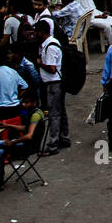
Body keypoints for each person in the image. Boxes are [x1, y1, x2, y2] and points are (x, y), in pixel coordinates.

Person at [0, 89, 44, 193]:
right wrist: (8, 125)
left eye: (26, 102)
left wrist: (12, 142)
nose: (23, 104)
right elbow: (24, 128)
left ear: (34, 102)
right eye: (23, 102)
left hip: (30, 146)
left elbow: (29, 135)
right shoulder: (35, 112)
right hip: (27, 144)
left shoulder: (35, 115)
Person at [37, 17, 69, 155]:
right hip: (56, 83)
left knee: (54, 114)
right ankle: (64, 138)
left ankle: (53, 144)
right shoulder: (52, 43)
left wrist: (39, 63)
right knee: (61, 111)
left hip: (54, 83)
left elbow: (52, 68)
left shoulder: (49, 47)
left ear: (41, 32)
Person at [0, 51, 28, 121]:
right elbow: (25, 86)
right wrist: (17, 97)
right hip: (15, 107)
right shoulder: (13, 71)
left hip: (0, 109)